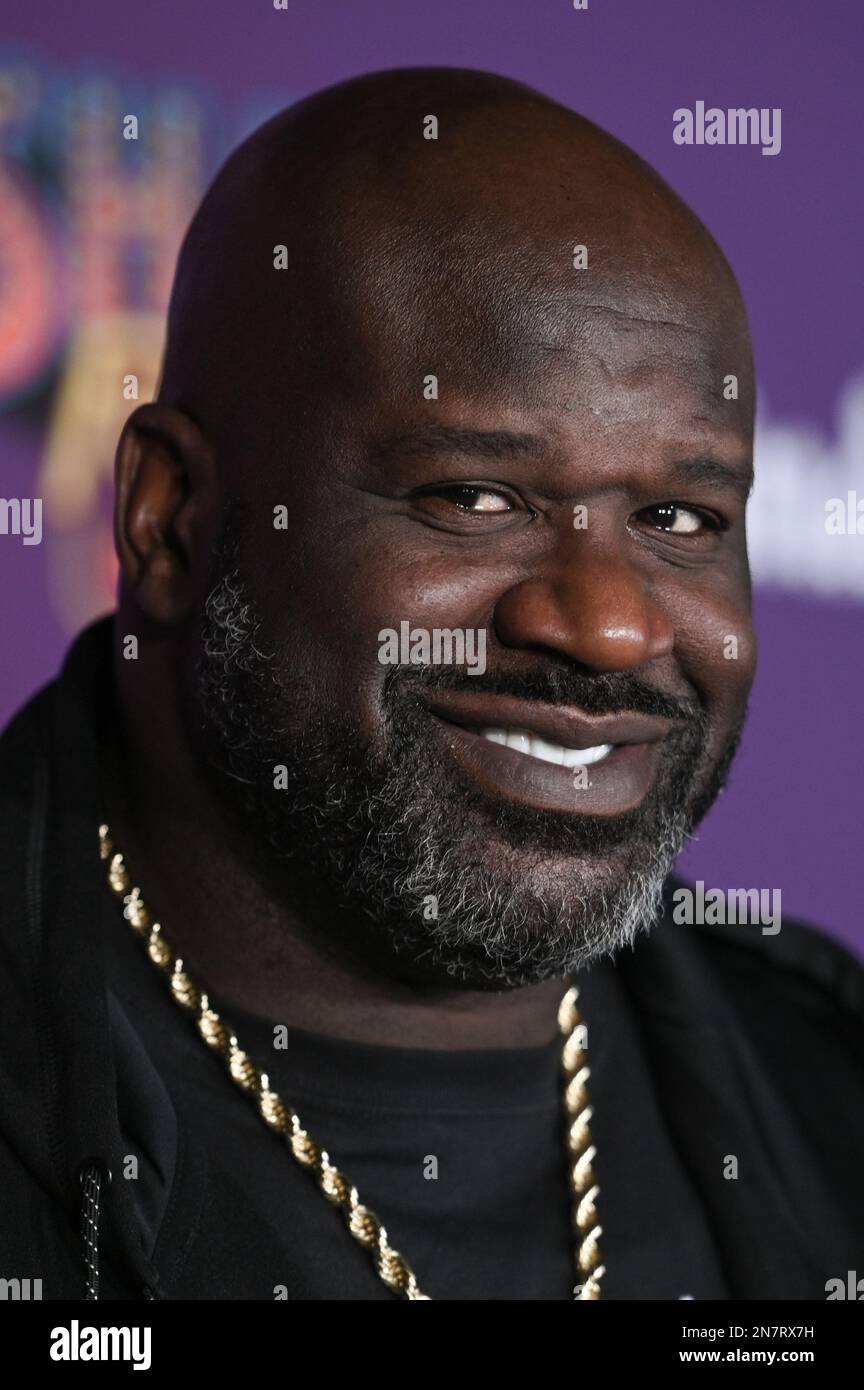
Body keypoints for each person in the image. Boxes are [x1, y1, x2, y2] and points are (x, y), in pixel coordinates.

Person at [1, 66, 861, 1302]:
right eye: (474, 498)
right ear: (171, 520)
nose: (611, 627)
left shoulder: (826, 1091)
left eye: (679, 516)